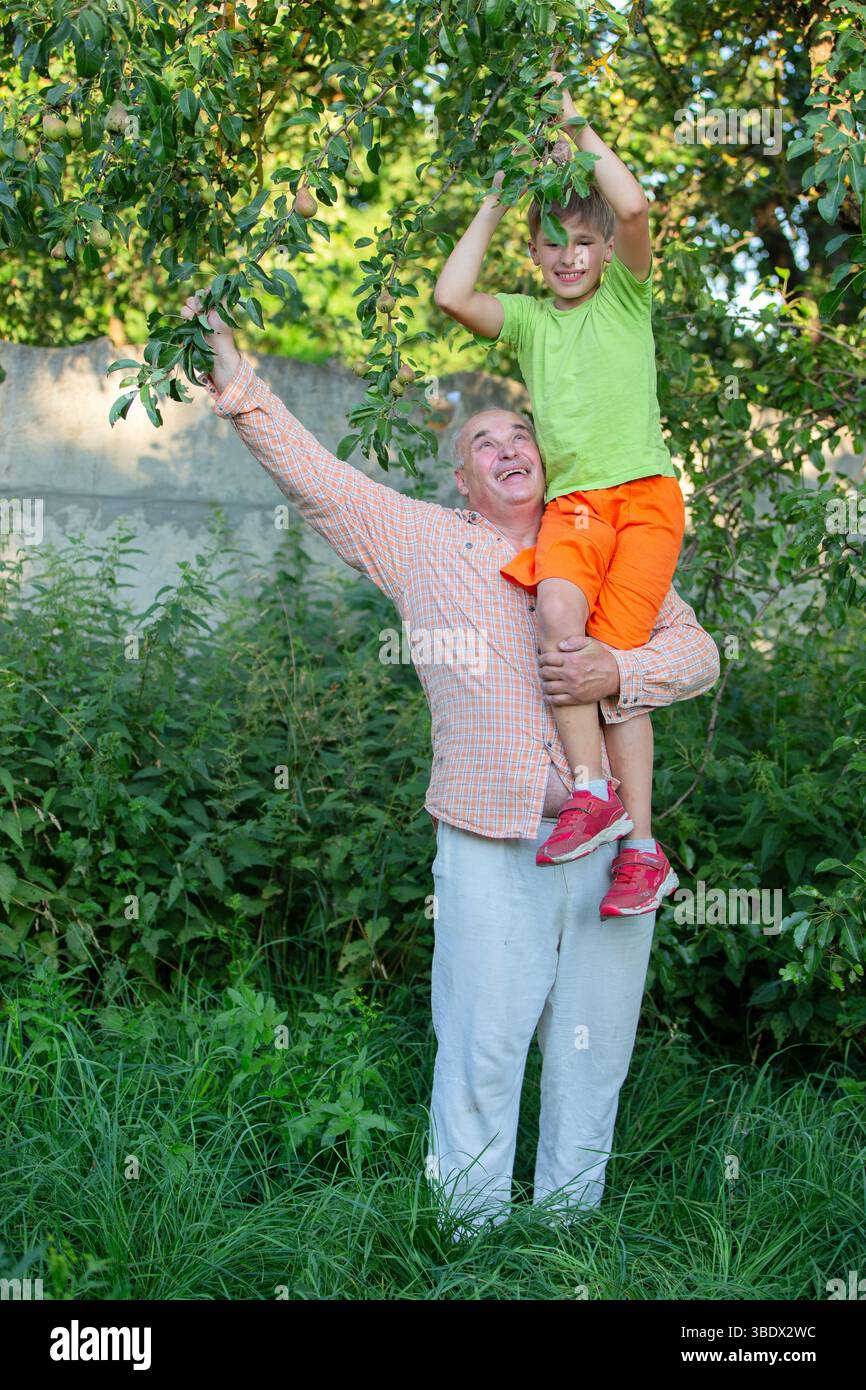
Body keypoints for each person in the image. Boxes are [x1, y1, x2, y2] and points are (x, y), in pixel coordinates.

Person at [184, 290, 719, 1234]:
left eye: (522, 432)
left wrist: (618, 666)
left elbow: (698, 654)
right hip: (490, 841)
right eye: (484, 442)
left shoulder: (595, 547)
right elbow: (316, 479)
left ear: (550, 458)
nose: (510, 447)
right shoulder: (425, 545)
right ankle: (464, 1240)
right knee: (481, 1045)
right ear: (463, 481)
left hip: (611, 849)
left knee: (591, 1053)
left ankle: (566, 1238)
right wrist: (230, 372)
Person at [434, 71, 688, 919]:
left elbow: (637, 205)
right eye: (556, 244)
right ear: (537, 257)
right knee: (556, 619)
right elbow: (450, 295)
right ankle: (589, 790)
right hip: (576, 504)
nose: (572, 255)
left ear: (605, 251)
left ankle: (643, 851)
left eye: (585, 240)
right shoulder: (533, 319)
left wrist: (573, 125)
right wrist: (502, 197)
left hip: (646, 501)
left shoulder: (626, 295)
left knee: (611, 671)